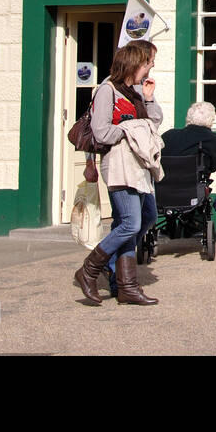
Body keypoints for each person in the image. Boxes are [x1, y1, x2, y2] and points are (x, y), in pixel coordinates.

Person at [73, 41, 164, 305]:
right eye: (149, 61)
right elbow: (101, 132)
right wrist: (130, 129)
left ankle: (123, 285)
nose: (152, 67)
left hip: (139, 165)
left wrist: (148, 98)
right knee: (130, 224)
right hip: (118, 165)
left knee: (146, 217)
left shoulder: (136, 91)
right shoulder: (107, 90)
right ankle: (90, 271)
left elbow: (154, 123)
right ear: (137, 62)